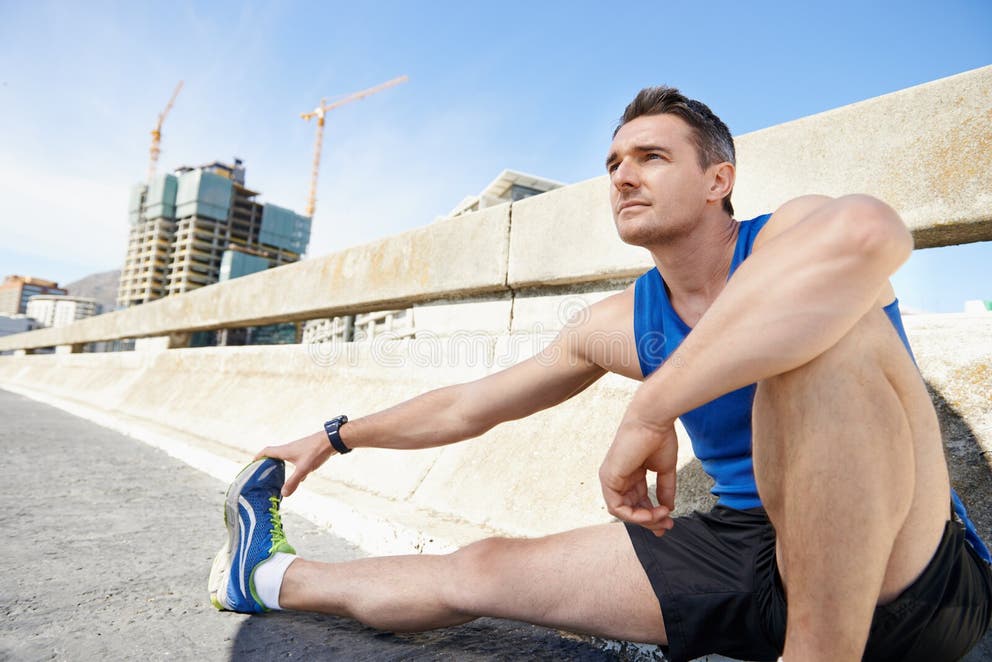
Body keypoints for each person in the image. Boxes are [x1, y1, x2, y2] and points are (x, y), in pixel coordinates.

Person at [208, 86, 992, 661]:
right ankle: (268, 576)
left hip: (910, 570)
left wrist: (654, 407)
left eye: (652, 156)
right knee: (482, 569)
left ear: (719, 179)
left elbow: (865, 234)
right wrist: (335, 436)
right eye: (614, 162)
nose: (622, 176)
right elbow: (470, 407)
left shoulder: (790, 234)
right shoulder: (622, 323)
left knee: (827, 333)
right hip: (747, 551)